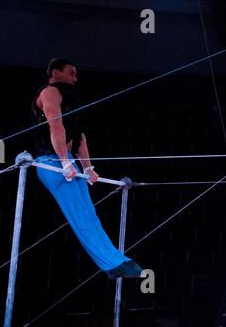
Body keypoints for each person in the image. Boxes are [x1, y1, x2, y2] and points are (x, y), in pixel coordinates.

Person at [30, 58, 143, 278]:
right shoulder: (50, 92)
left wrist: (89, 168)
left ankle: (117, 260)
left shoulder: (73, 98)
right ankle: (112, 264)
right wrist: (64, 161)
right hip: (51, 162)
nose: (75, 77)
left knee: (90, 214)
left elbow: (79, 137)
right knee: (81, 215)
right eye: (71, 72)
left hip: (68, 160)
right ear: (55, 72)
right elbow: (56, 125)